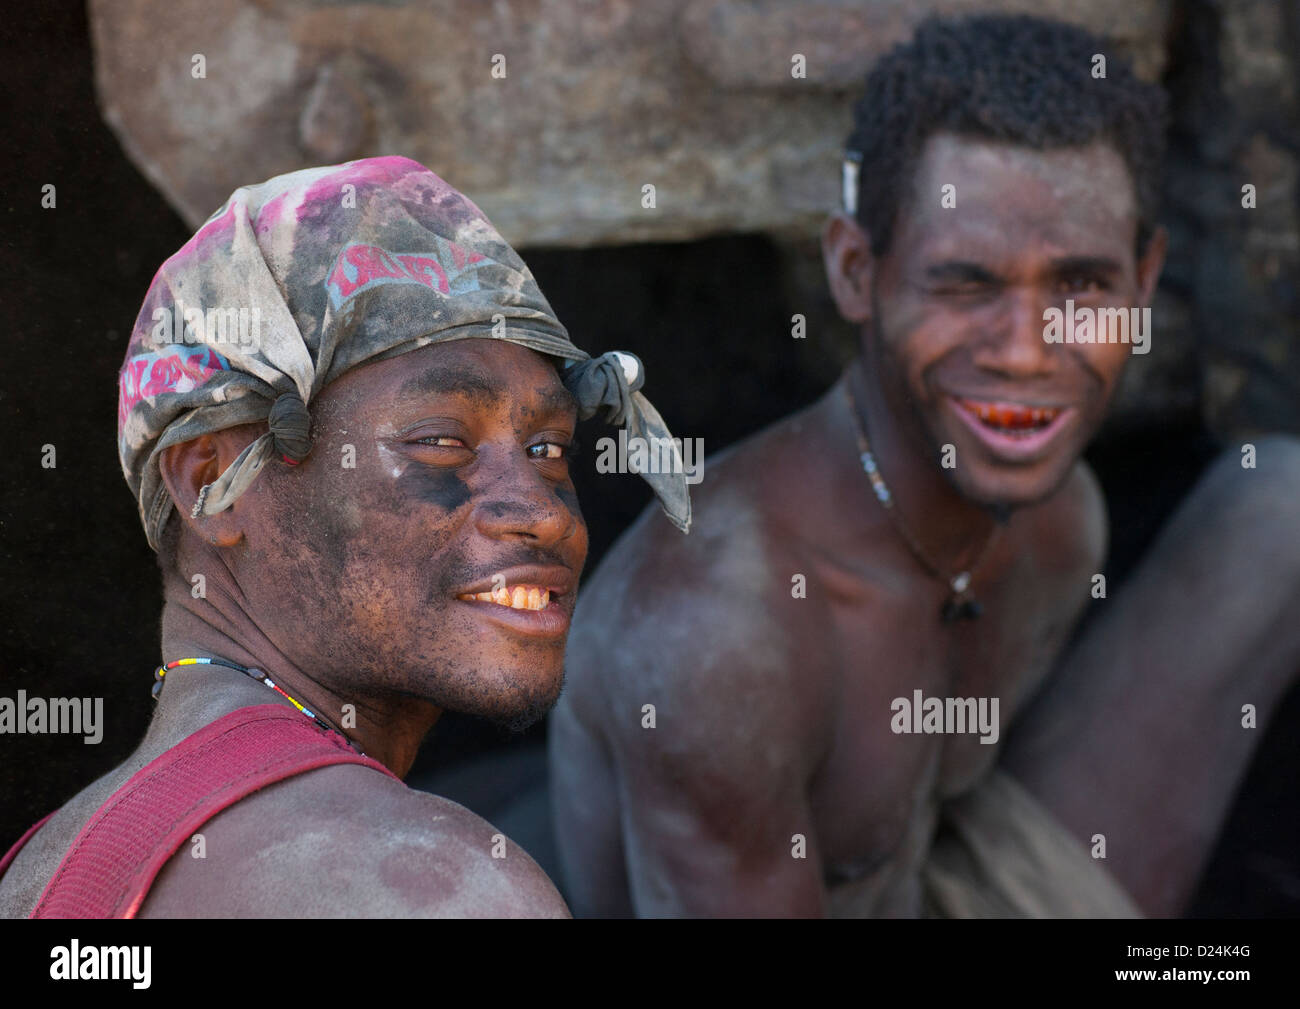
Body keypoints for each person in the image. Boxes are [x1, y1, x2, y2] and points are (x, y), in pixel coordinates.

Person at [550, 14, 1300, 917]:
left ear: (1145, 283)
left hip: (933, 883)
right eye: (965, 284)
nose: (1026, 352)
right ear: (857, 271)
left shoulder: (1060, 527)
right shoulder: (718, 638)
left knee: (1283, 505)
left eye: (1081, 287)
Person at [0, 155, 689, 918]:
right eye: (440, 441)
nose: (547, 512)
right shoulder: (439, 893)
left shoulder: (40, 872)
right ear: (210, 484)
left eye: (549, 449)